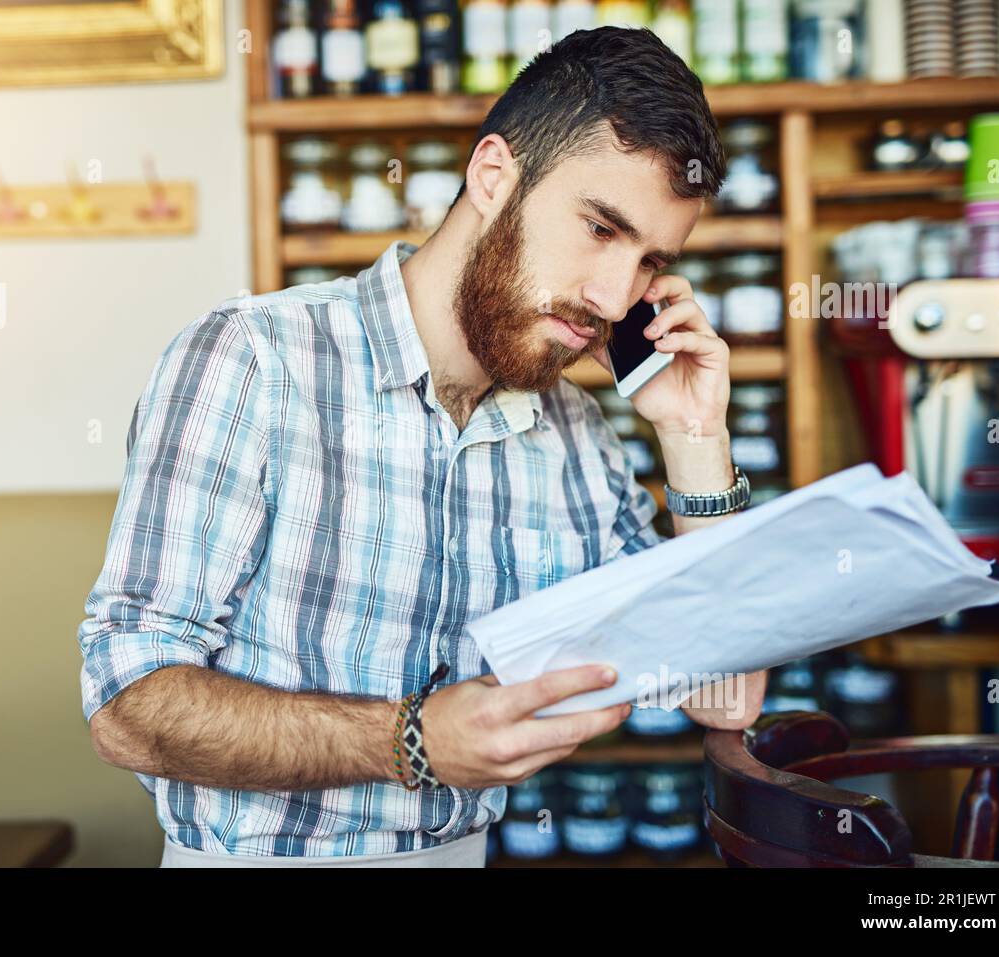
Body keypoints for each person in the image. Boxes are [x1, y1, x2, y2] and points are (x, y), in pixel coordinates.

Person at [76, 26, 766, 867]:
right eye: (597, 228)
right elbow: (127, 702)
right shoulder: (251, 359)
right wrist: (411, 740)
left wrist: (695, 436)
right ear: (492, 175)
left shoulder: (578, 436)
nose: (613, 296)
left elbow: (724, 696)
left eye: (650, 261)